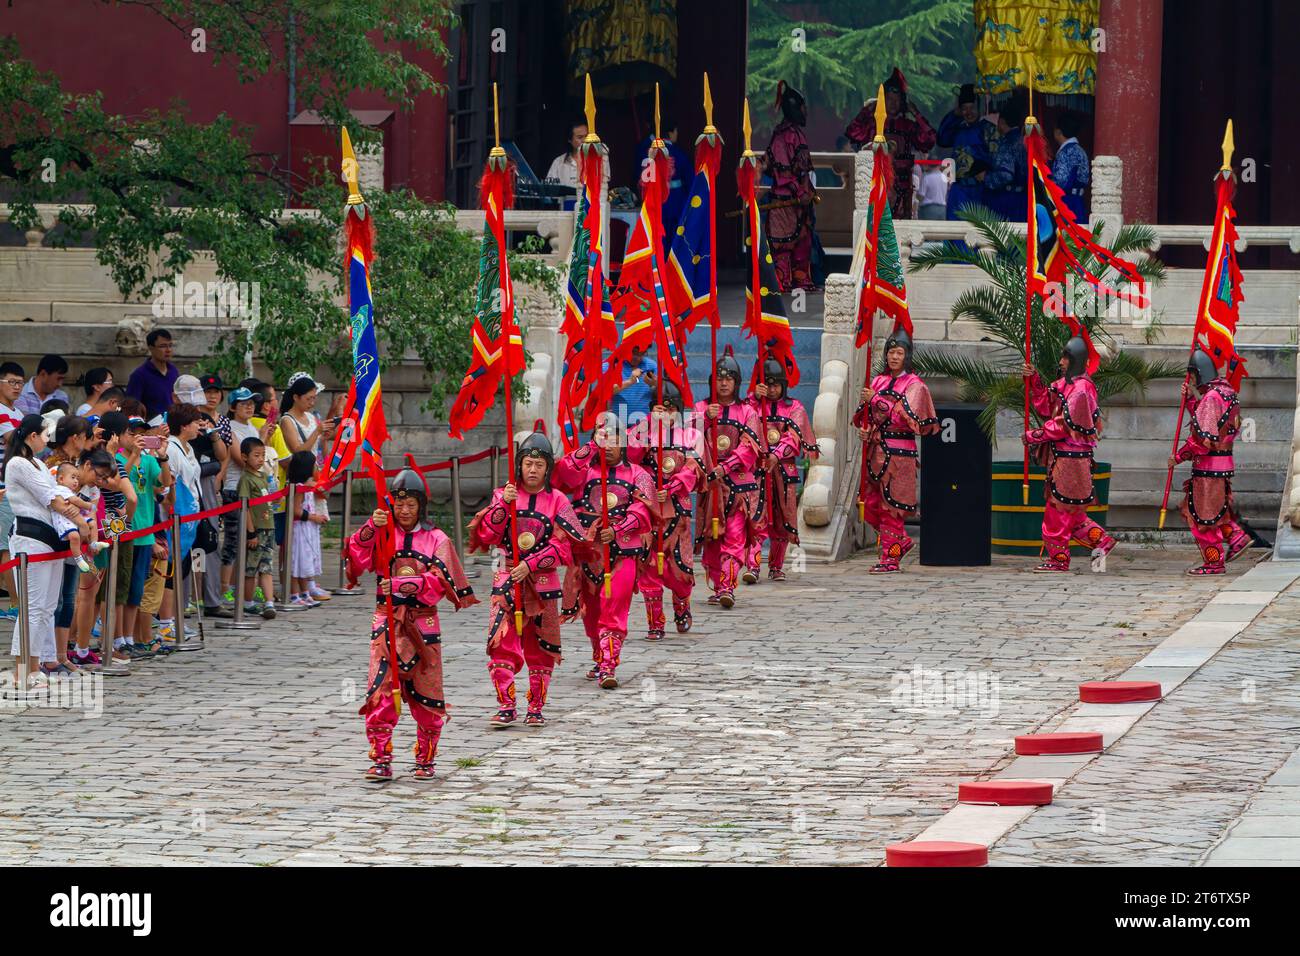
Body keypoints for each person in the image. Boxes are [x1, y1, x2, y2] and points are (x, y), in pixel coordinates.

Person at [346, 466, 477, 783]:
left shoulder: (437, 539)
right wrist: (369, 528)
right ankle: (381, 759)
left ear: (421, 505)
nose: (404, 510)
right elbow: (356, 558)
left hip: (423, 624)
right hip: (386, 624)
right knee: (381, 691)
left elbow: (443, 582)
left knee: (426, 694)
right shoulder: (382, 532)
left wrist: (409, 585)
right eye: (399, 504)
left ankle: (426, 759)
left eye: (411, 504)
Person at [470, 430, 584, 727]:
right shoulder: (503, 494)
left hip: (543, 582)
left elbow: (564, 545)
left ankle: (535, 706)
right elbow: (487, 535)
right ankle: (506, 705)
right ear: (519, 465)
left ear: (548, 468)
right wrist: (500, 507)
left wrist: (531, 564)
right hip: (507, 578)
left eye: (539, 465)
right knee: (501, 643)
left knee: (541, 646)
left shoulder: (558, 500)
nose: (532, 470)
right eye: (528, 464)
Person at [554, 413, 654, 689]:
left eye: (614, 440)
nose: (608, 446)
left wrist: (621, 529)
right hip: (588, 552)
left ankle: (609, 664)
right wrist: (589, 448)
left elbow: (647, 508)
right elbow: (562, 473)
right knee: (593, 610)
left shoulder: (638, 474)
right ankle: (599, 656)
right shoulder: (584, 472)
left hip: (623, 551)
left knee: (615, 606)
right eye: (603, 440)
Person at [3, 415, 86, 688]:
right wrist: (78, 518)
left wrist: (76, 513)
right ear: (32, 436)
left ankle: (35, 666)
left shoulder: (38, 463)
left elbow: (58, 493)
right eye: (44, 434)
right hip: (30, 540)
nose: (47, 440)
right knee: (33, 608)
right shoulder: (17, 464)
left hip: (50, 539)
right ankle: (22, 670)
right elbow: (50, 497)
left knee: (48, 606)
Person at [1022, 336, 1118, 572]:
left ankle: (1059, 559)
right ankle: (1102, 542)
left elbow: (1066, 425)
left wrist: (1036, 435)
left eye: (1066, 357)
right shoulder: (1066, 385)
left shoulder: (1082, 390)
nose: (1061, 362)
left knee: (1057, 511)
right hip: (1063, 459)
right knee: (1071, 513)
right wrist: (1033, 379)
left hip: (1072, 460)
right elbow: (1046, 402)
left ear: (1075, 360)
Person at [853, 327, 940, 573]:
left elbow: (908, 418)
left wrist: (877, 400)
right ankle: (899, 541)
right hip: (876, 449)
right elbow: (868, 415)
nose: (894, 357)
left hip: (900, 452)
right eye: (891, 352)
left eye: (899, 353)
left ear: (907, 356)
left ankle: (890, 557)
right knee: (870, 504)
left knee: (891, 507)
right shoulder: (878, 380)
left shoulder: (915, 385)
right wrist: (865, 429)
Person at [1168, 349, 1251, 575]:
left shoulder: (1212, 397)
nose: (1191, 380)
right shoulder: (1227, 393)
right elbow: (1209, 419)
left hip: (1207, 468)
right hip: (1222, 466)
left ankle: (1214, 563)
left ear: (1200, 373)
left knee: (1202, 517)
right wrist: (1191, 399)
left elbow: (1203, 439)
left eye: (1192, 375)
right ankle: (1236, 537)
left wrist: (1178, 456)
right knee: (1215, 510)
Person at [635, 380, 704, 640]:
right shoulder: (641, 433)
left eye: (669, 409)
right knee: (648, 566)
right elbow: (629, 460)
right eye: (658, 408)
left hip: (677, 510)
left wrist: (674, 486)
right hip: (648, 510)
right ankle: (655, 622)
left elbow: (694, 469)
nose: (664, 413)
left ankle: (682, 603)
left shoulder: (692, 435)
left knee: (679, 568)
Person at [693, 350, 762, 607]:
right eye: (719, 378)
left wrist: (728, 466)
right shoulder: (701, 408)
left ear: (736, 382)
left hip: (737, 484)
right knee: (713, 537)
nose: (723, 383)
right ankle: (718, 582)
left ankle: (727, 586)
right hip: (709, 484)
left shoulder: (747, 412)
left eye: (729, 378)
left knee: (734, 535)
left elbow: (750, 445)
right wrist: (704, 420)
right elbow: (688, 439)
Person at [747, 358, 817, 581]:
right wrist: (754, 398)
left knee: (782, 521)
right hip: (758, 470)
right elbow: (743, 428)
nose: (773, 388)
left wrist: (777, 455)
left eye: (776, 384)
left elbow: (795, 436)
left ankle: (776, 566)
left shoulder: (794, 407)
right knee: (755, 517)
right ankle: (753, 566)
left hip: (783, 472)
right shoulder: (752, 406)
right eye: (768, 384)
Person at [844, 69, 937, 219]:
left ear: (902, 102)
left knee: (901, 235)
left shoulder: (908, 126)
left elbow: (930, 140)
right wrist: (868, 110)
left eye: (897, 100)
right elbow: (852, 132)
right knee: (876, 230)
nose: (893, 104)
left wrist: (916, 114)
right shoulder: (872, 125)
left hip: (903, 188)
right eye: (889, 99)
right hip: (876, 184)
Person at [765, 81, 818, 292]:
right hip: (785, 202)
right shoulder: (781, 136)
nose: (805, 112)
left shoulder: (796, 134)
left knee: (802, 242)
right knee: (783, 244)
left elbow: (803, 169)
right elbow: (783, 172)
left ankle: (801, 282)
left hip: (800, 202)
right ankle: (782, 282)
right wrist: (800, 191)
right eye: (803, 107)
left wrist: (809, 191)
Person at [220, 386, 268, 606]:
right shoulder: (229, 428)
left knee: (248, 542)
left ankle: (239, 586)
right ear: (232, 407)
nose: (249, 406)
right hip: (234, 488)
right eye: (243, 403)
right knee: (232, 540)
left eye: (252, 403)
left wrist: (263, 438)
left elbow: (257, 456)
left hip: (253, 489)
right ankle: (225, 588)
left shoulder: (250, 426)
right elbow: (243, 460)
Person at [936, 84, 998, 220]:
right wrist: (954, 115)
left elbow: (997, 159)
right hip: (958, 189)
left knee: (980, 234)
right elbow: (941, 139)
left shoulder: (989, 130)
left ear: (979, 107)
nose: (968, 112)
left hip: (980, 190)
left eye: (972, 108)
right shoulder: (957, 129)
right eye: (964, 108)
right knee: (955, 233)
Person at [236, 436, 278, 620]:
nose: (261, 459)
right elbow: (245, 507)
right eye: (256, 455)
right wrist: (250, 532)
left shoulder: (262, 477)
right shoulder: (245, 479)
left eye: (263, 455)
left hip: (268, 528)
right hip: (256, 530)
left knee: (266, 567)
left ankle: (269, 602)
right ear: (244, 457)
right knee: (250, 569)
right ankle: (247, 602)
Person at [285, 450, 327, 609]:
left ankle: (305, 592)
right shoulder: (298, 488)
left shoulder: (308, 486)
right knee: (297, 562)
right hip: (300, 529)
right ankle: (294, 594)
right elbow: (295, 510)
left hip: (308, 529)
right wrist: (313, 517)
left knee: (306, 562)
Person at [0, 363, 22, 621]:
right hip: (4, 485)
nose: (17, 387)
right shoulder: (2, 413)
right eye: (12, 382)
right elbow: (14, 441)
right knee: (6, 545)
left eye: (20, 383)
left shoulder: (17, 412)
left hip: (13, 483)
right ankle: (15, 602)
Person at [984, 101, 1028, 222]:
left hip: (1007, 200)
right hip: (1023, 198)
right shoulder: (1024, 141)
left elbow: (1006, 175)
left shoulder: (1007, 143)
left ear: (1002, 122)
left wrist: (986, 178)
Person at [124, 329, 179, 417]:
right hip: (151, 426)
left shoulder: (173, 371)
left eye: (170, 346)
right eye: (163, 346)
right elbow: (131, 408)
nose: (168, 350)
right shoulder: (139, 375)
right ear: (151, 348)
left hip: (173, 423)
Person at [1052, 112, 1090, 223]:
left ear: (1059, 132)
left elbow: (1060, 181)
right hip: (1078, 202)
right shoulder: (1081, 151)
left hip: (1066, 203)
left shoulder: (1065, 152)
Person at [610, 345, 657, 428]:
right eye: (634, 353)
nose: (638, 358)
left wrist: (655, 384)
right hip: (618, 426)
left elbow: (663, 391)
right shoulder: (612, 364)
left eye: (642, 354)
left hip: (644, 426)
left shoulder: (651, 365)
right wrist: (630, 381)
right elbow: (606, 391)